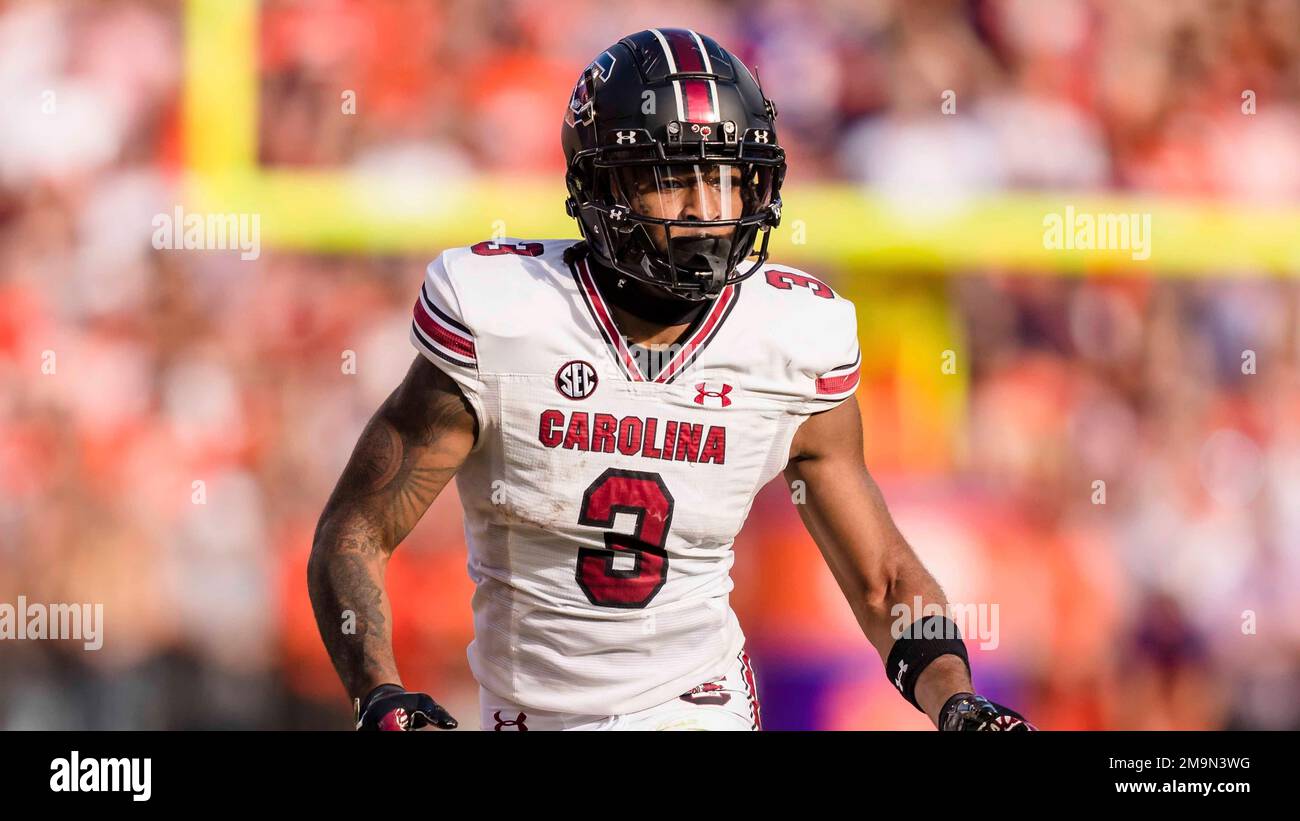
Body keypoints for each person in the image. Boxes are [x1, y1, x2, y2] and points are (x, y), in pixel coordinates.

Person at [308, 28, 1034, 732]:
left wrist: (956, 701)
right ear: (603, 182)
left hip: (697, 705)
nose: (706, 211)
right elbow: (356, 530)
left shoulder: (788, 340)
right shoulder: (508, 317)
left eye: (724, 177)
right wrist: (380, 694)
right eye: (673, 178)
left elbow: (883, 578)